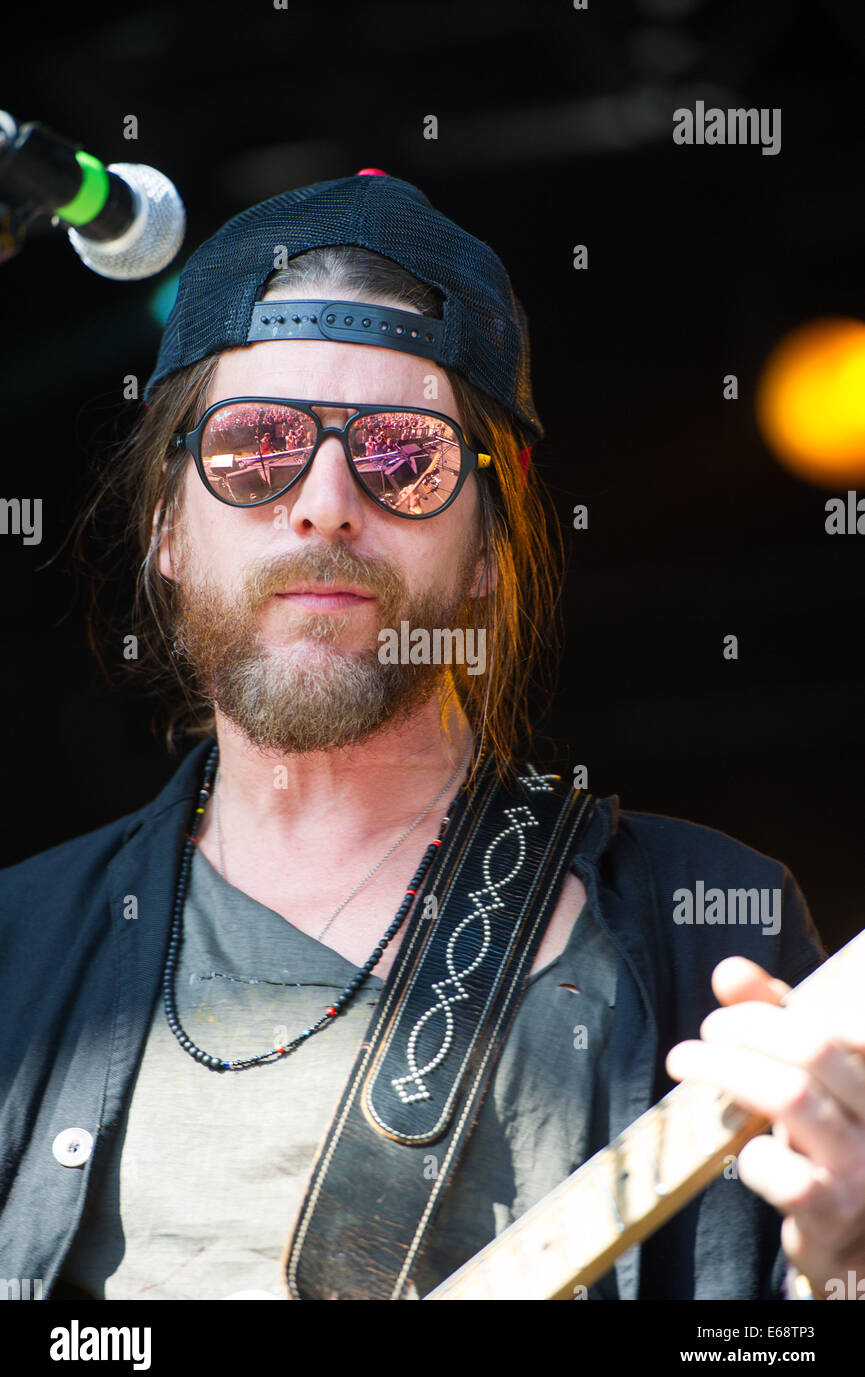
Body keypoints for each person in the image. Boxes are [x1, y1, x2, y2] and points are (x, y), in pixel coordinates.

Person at [0, 171, 861, 1303]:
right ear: (167, 527)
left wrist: (843, 1274)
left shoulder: (703, 928)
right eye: (254, 447)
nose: (323, 499)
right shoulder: (19, 944)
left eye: (406, 456)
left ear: (488, 554)